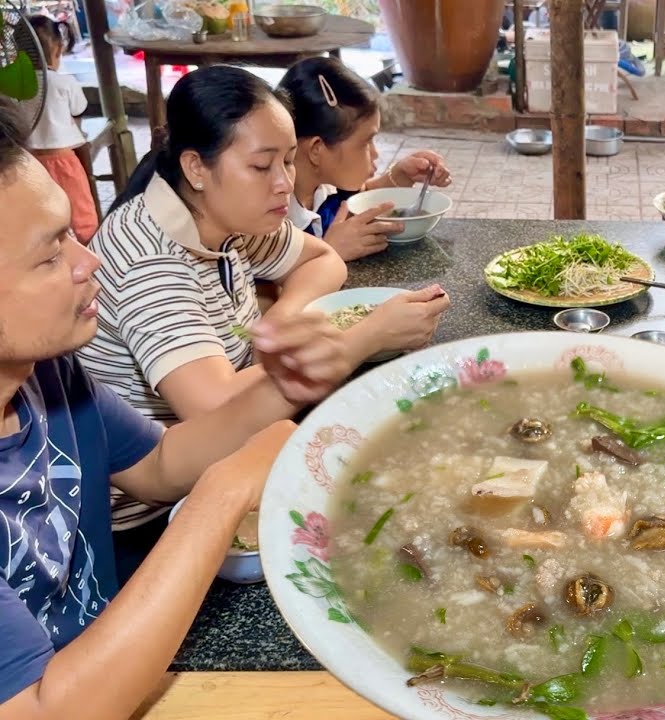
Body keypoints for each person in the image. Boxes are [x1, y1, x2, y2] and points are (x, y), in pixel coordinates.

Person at [0, 95, 352, 718]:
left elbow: (159, 466)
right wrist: (222, 495)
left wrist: (282, 386)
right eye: (52, 255)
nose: (93, 262)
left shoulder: (45, 373)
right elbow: (50, 710)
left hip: (119, 655)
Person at [78, 65, 451, 531]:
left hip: (232, 455)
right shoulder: (150, 262)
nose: (282, 182)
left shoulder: (226, 218)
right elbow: (216, 411)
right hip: (158, 517)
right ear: (196, 167)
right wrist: (361, 338)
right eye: (261, 165)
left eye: (288, 161)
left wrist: (283, 322)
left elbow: (324, 261)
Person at [278, 56, 452, 261]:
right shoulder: (273, 217)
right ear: (317, 150)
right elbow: (263, 290)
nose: (375, 153)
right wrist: (330, 253)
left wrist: (400, 176)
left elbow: (359, 201)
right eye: (365, 143)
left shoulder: (325, 188)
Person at [25, 15, 96, 244]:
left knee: (40, 212)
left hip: (29, 162)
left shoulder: (13, 87)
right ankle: (90, 248)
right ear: (58, 49)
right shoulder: (65, 83)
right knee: (80, 212)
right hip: (64, 159)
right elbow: (78, 110)